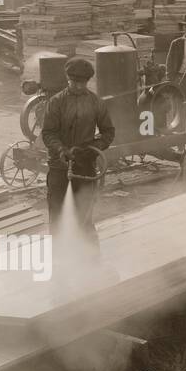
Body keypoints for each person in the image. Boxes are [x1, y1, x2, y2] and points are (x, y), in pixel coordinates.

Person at [41, 56, 115, 251]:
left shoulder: (96, 103)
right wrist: (61, 149)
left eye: (83, 83)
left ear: (88, 81)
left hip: (85, 166)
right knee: (57, 217)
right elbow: (48, 133)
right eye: (75, 82)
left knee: (84, 217)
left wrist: (91, 149)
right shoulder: (56, 102)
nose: (79, 86)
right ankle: (58, 263)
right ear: (68, 79)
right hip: (59, 168)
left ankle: (91, 262)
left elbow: (108, 132)